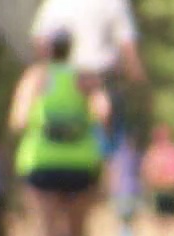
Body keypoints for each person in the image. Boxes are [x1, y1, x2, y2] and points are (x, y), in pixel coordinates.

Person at [9, 29, 110, 236]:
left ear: (46, 49)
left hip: (43, 162)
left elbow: (18, 120)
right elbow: (104, 113)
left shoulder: (36, 78)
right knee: (78, 234)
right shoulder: (85, 78)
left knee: (48, 234)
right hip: (80, 163)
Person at [30, 0, 149, 161]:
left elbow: (40, 41)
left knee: (61, 144)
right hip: (102, 82)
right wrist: (139, 83)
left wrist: (43, 75)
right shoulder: (115, 3)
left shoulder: (56, 3)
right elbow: (127, 47)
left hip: (62, 83)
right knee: (105, 153)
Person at [110, 136, 142, 236]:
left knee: (126, 218)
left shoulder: (119, 156)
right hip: (131, 190)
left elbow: (114, 173)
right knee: (128, 218)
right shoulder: (135, 156)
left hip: (125, 190)